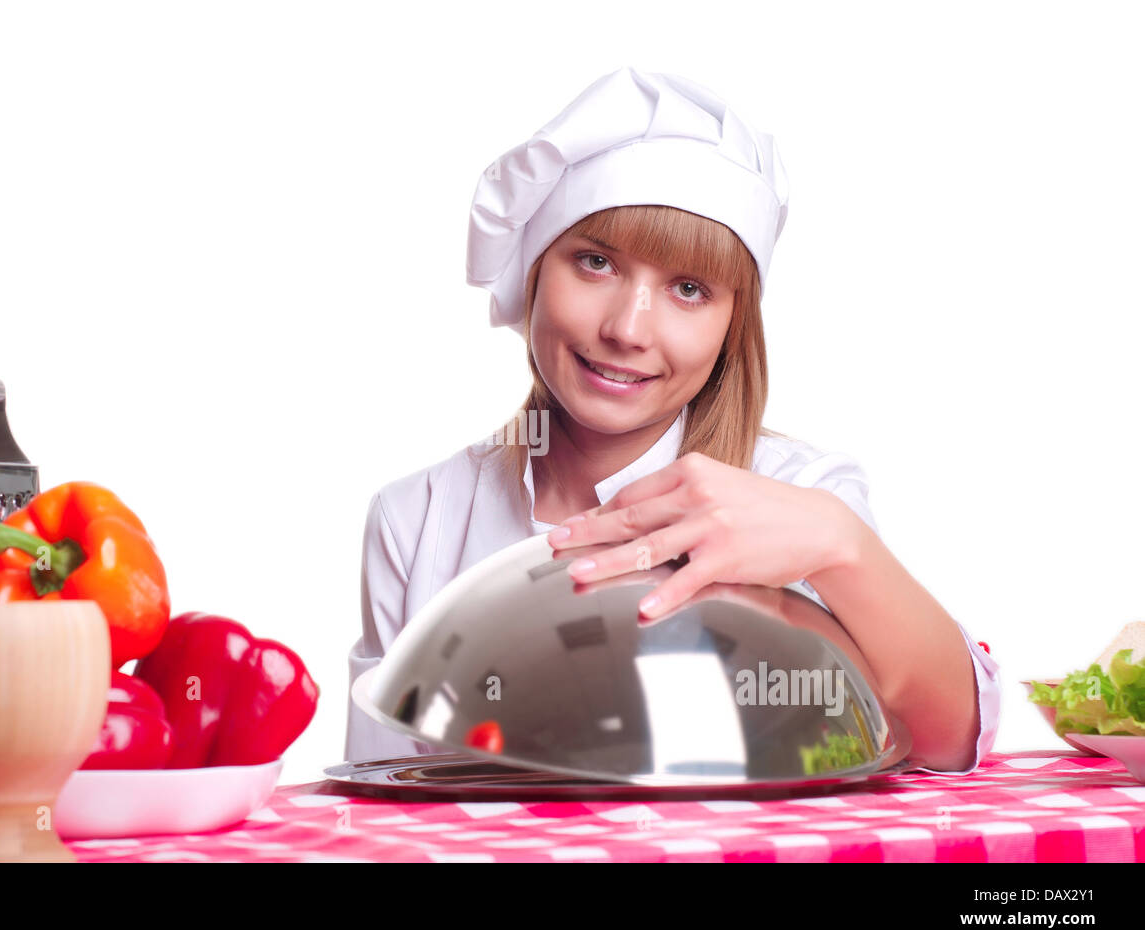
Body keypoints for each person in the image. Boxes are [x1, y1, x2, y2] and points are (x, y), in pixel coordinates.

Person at [346, 67, 999, 774]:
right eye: (594, 262)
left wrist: (840, 545)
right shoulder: (418, 518)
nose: (629, 328)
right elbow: (386, 796)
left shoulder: (799, 492)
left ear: (731, 325)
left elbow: (948, 738)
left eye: (689, 289)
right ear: (533, 271)